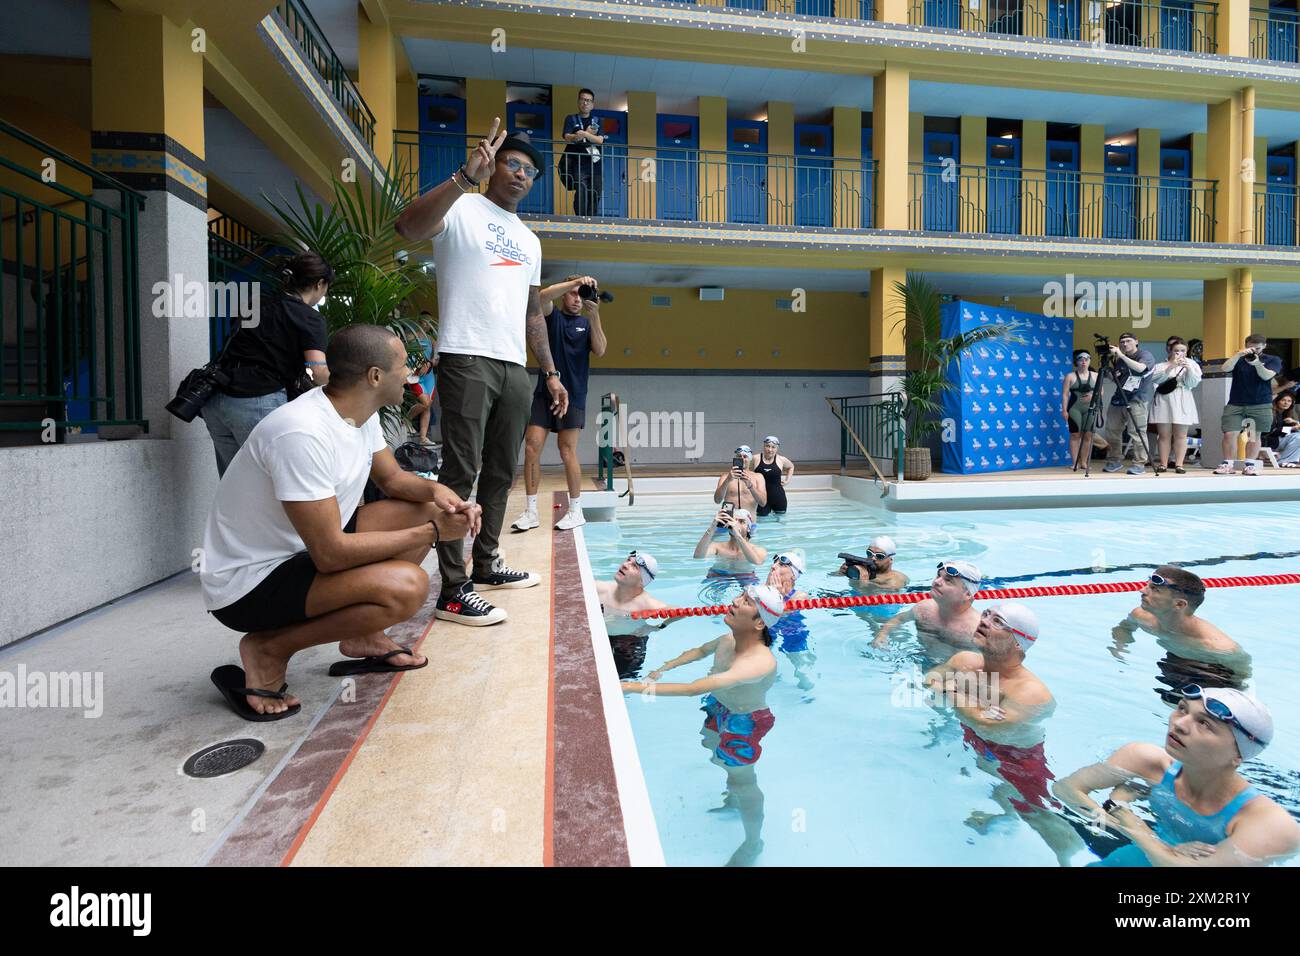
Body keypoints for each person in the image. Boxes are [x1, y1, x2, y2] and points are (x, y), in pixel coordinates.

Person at [200, 325, 481, 720]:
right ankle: (270, 649)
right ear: (375, 376)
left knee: (429, 509)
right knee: (406, 588)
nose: (412, 373)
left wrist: (441, 494)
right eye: (404, 365)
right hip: (250, 581)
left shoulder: (357, 414)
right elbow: (331, 554)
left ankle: (363, 635)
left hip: (300, 551)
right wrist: (433, 534)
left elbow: (393, 480)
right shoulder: (302, 432)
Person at [396, 119, 568, 626]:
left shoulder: (530, 240)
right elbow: (407, 228)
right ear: (493, 164)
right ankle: (453, 588)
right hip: (466, 355)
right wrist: (461, 179)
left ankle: (488, 562)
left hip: (515, 364)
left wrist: (551, 371)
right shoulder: (463, 206)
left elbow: (532, 311)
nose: (521, 175)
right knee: (460, 471)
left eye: (531, 171)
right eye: (514, 164)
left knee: (500, 471)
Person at [622, 585, 788, 867]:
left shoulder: (757, 663)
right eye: (740, 596)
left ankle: (752, 842)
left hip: (744, 722)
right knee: (713, 750)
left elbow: (692, 689)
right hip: (719, 706)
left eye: (745, 601)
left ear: (759, 622)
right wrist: (663, 668)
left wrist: (630, 686)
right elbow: (699, 651)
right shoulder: (727, 639)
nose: (735, 600)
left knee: (744, 780)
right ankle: (733, 799)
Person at [1055, 687, 1298, 866]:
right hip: (1147, 853)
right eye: (1182, 708)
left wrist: (1121, 810)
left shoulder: (1272, 824)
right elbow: (1065, 789)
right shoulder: (1145, 761)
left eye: (1205, 724)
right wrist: (1145, 834)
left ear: (1238, 755)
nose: (1179, 724)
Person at [924, 604, 1083, 866]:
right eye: (986, 614)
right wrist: (967, 701)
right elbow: (932, 678)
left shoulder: (1030, 692)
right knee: (997, 790)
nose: (984, 621)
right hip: (977, 741)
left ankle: (1070, 857)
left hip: (1016, 758)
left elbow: (987, 725)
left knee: (1036, 813)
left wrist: (953, 691)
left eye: (998, 621)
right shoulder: (965, 661)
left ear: (1019, 643)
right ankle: (1005, 816)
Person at [202, 252, 333, 477]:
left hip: (216, 398)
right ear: (320, 283)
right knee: (272, 484)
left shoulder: (255, 303)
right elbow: (317, 370)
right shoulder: (309, 318)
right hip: (257, 399)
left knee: (233, 485)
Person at [512, 274, 608, 532]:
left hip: (574, 395)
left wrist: (595, 315)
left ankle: (576, 511)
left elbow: (600, 350)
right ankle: (531, 511)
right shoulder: (551, 316)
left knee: (567, 451)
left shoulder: (586, 325)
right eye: (574, 293)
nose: (577, 299)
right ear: (565, 293)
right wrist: (575, 283)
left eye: (581, 294)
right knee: (531, 446)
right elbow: (541, 297)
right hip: (545, 392)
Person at [1110, 566, 1251, 700]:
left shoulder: (1218, 646)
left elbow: (1243, 675)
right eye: (1147, 585)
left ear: (1179, 604)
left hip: (1210, 671)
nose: (1142, 590)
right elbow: (1124, 628)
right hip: (1175, 661)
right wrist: (1119, 646)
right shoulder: (1141, 616)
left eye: (1155, 589)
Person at [872, 560, 982, 660]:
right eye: (938, 576)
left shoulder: (976, 631)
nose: (937, 582)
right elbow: (899, 619)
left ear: (967, 594)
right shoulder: (924, 609)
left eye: (948, 580)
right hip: (919, 657)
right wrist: (882, 635)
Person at [1215, 333, 1282, 476]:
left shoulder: (1272, 359)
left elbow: (1266, 376)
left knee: (1254, 435)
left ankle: (1250, 464)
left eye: (1257, 348)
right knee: (1229, 433)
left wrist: (1256, 363)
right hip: (1236, 403)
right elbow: (1225, 369)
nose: (1254, 351)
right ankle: (1228, 463)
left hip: (1259, 403)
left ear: (1264, 346)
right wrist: (1238, 355)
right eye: (1251, 348)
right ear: (1246, 346)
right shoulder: (1239, 358)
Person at [597, 551, 671, 679]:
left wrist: (657, 627)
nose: (625, 565)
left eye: (634, 566)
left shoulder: (646, 603)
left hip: (630, 642)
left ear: (642, 581)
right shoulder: (601, 589)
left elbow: (680, 612)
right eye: (627, 560)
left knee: (621, 682)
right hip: (603, 636)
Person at [1100, 332, 1155, 476]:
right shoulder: (1119, 360)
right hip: (1118, 399)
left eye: (1128, 341)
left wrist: (1121, 355)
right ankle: (1114, 460)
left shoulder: (1145, 355)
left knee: (1137, 432)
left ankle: (1139, 464)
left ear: (1137, 341)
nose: (1125, 344)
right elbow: (1116, 378)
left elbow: (1141, 368)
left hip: (1136, 399)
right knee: (1112, 431)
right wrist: (1105, 370)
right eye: (1122, 341)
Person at [1149, 337, 1201, 474]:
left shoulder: (1192, 364)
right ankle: (1163, 464)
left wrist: (1188, 368)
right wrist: (1171, 365)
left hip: (1183, 398)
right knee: (1164, 434)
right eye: (1176, 350)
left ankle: (1179, 464)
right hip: (1164, 399)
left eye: (1182, 350)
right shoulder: (1161, 365)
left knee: (1181, 435)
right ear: (1170, 351)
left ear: (1187, 351)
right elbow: (1156, 379)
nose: (1179, 353)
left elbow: (1192, 383)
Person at [764, 550, 814, 692]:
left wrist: (774, 594)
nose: (774, 566)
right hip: (769, 628)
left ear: (793, 575)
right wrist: (766, 589)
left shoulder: (800, 595)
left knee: (796, 653)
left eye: (782, 565)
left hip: (793, 628)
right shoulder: (762, 589)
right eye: (774, 563)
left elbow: (782, 613)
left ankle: (801, 674)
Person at [560, 88, 604, 216]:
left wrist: (583, 134)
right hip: (577, 163)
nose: (585, 103)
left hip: (596, 164)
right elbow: (567, 136)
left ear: (592, 104)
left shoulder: (597, 120)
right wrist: (581, 136)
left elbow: (600, 140)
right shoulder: (571, 119)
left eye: (588, 101)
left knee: (595, 193)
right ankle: (580, 218)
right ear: (578, 102)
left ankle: (592, 220)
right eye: (583, 100)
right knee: (581, 191)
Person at [1061, 349, 1099, 467]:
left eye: (1086, 359)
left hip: (1090, 409)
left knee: (1088, 435)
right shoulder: (1070, 376)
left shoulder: (1096, 375)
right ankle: (1075, 462)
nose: (1083, 361)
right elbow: (1065, 394)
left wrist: (1092, 395)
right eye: (1080, 359)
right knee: (1075, 435)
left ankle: (1084, 462)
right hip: (1074, 408)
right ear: (1076, 362)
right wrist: (1064, 410)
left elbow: (1101, 391)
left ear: (1089, 361)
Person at [713, 445, 768, 516]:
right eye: (739, 456)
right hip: (729, 521)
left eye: (745, 456)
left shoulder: (758, 477)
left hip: (748, 523)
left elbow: (763, 503)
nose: (742, 459)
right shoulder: (725, 477)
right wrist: (727, 481)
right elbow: (717, 500)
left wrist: (750, 486)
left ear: (750, 459)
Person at [750, 436, 793, 517]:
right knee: (762, 521)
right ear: (764, 446)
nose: (770, 449)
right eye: (767, 446)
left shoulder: (781, 459)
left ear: (777, 448)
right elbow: (745, 468)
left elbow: (791, 467)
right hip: (761, 498)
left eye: (773, 447)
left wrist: (787, 480)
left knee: (780, 521)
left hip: (778, 497)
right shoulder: (755, 458)